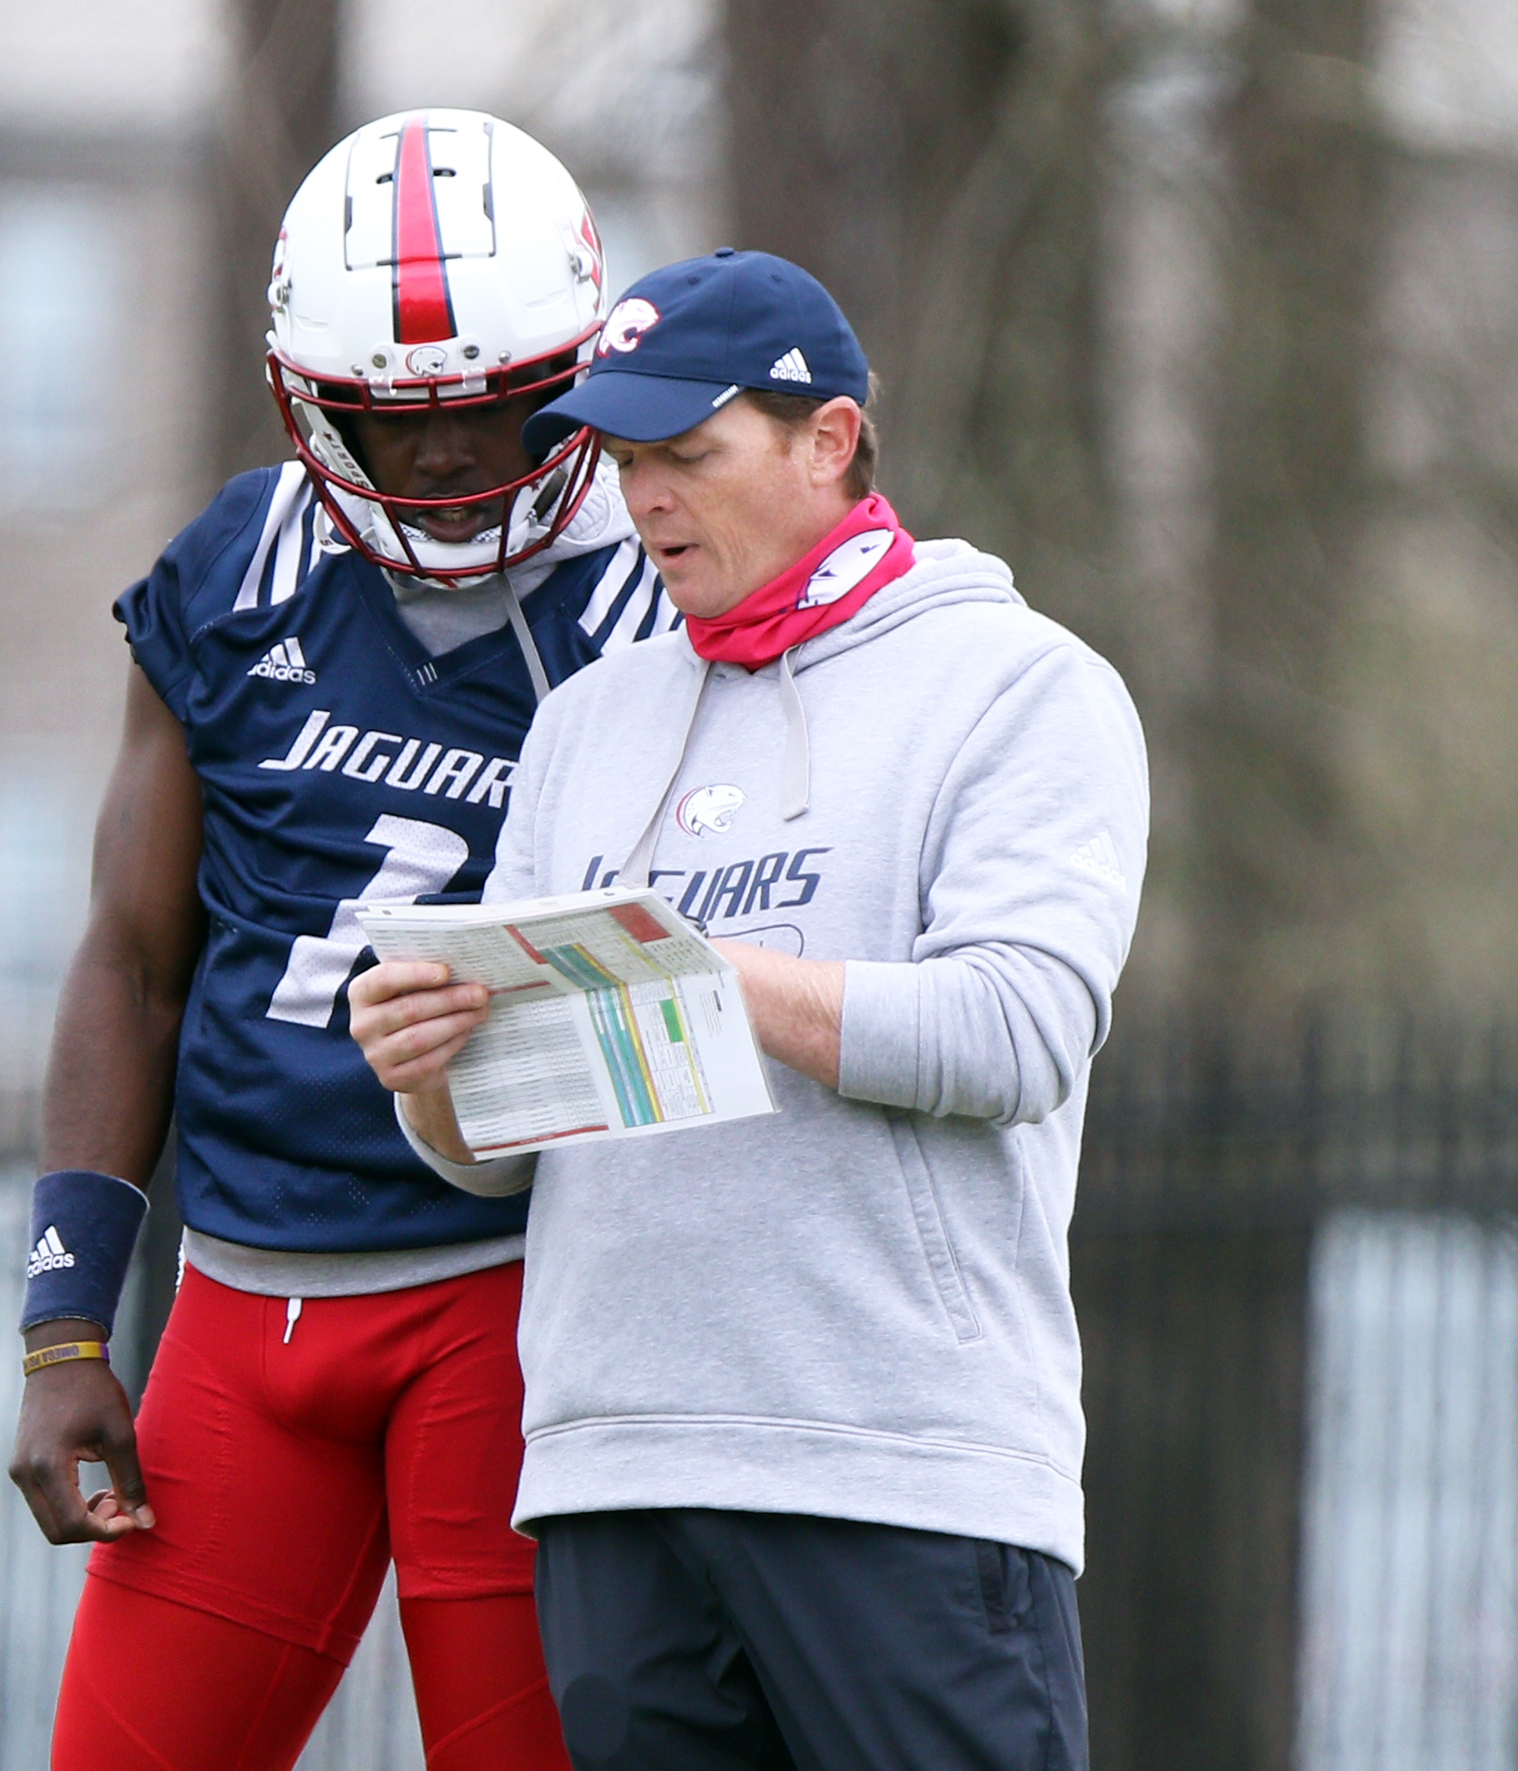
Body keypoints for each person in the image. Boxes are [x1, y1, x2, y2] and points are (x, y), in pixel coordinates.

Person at [351, 248, 1148, 1771]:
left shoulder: (1020, 685)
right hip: (613, 1478)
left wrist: (696, 968)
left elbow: (1016, 1034)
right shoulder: (584, 724)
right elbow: (495, 1156)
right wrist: (432, 1075)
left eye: (687, 453)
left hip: (902, 1475)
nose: (644, 499)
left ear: (828, 440)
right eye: (623, 460)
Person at [7, 110, 678, 1771]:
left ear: (573, 379)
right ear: (311, 400)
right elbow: (130, 959)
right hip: (240, 1308)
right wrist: (65, 1326)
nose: (444, 462)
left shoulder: (662, 602)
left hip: (520, 1307)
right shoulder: (238, 570)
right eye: (394, 418)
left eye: (489, 408)